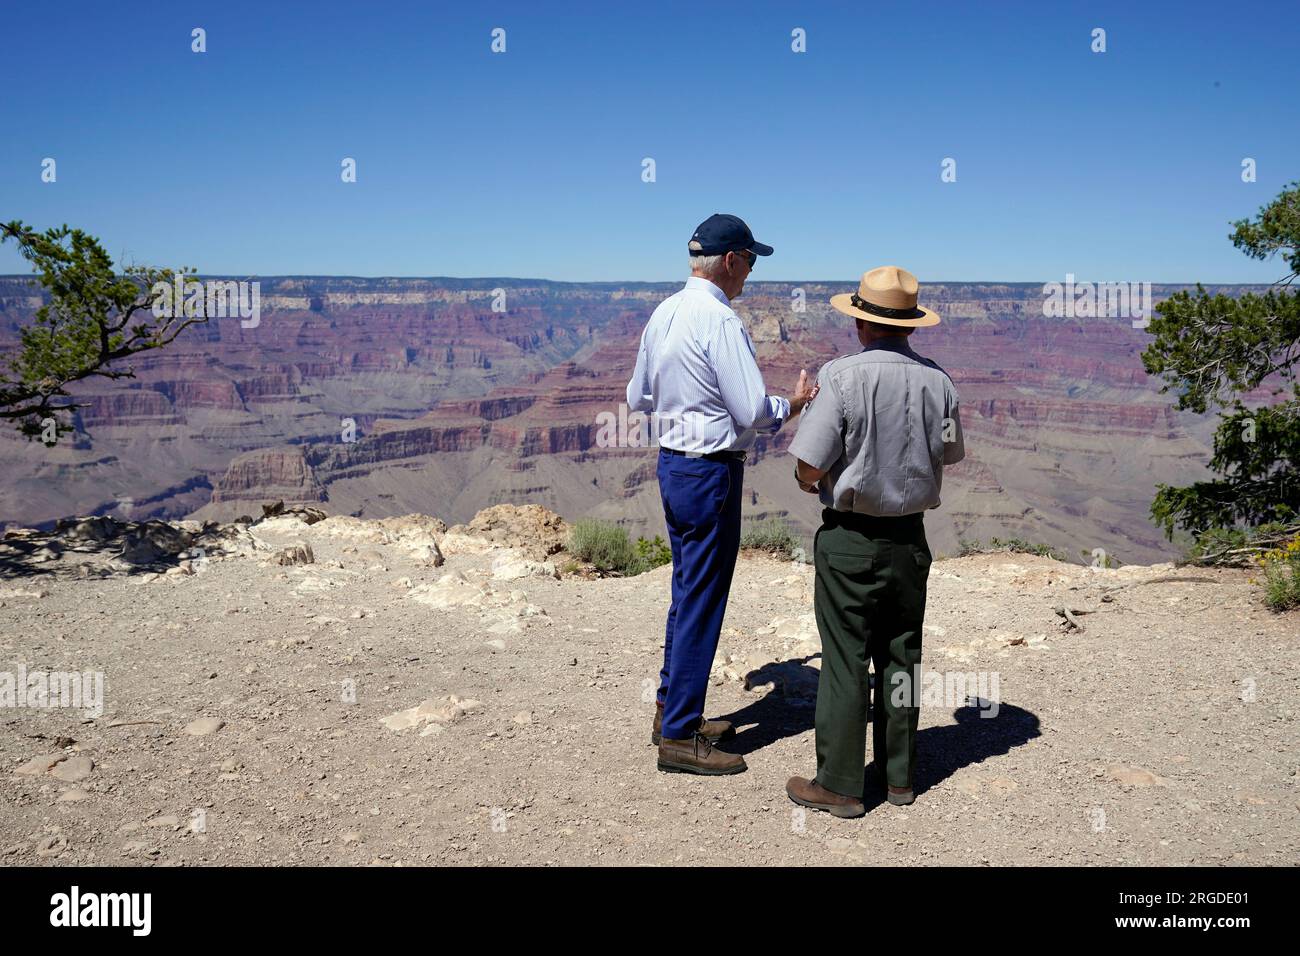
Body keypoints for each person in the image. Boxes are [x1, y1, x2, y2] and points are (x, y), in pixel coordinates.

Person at [626, 213, 816, 775]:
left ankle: (671, 711)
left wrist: (682, 405)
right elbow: (753, 411)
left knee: (687, 592)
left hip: (672, 467)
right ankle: (681, 737)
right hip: (710, 475)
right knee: (702, 601)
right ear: (730, 261)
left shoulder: (663, 313)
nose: (751, 273)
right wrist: (795, 403)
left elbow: (637, 396)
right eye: (750, 261)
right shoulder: (720, 321)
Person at [784, 265, 965, 816]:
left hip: (850, 539)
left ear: (862, 324)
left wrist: (811, 481)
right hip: (910, 539)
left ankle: (839, 786)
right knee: (902, 655)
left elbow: (809, 465)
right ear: (910, 326)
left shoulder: (841, 378)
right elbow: (950, 454)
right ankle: (899, 778)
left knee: (845, 659)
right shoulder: (940, 381)